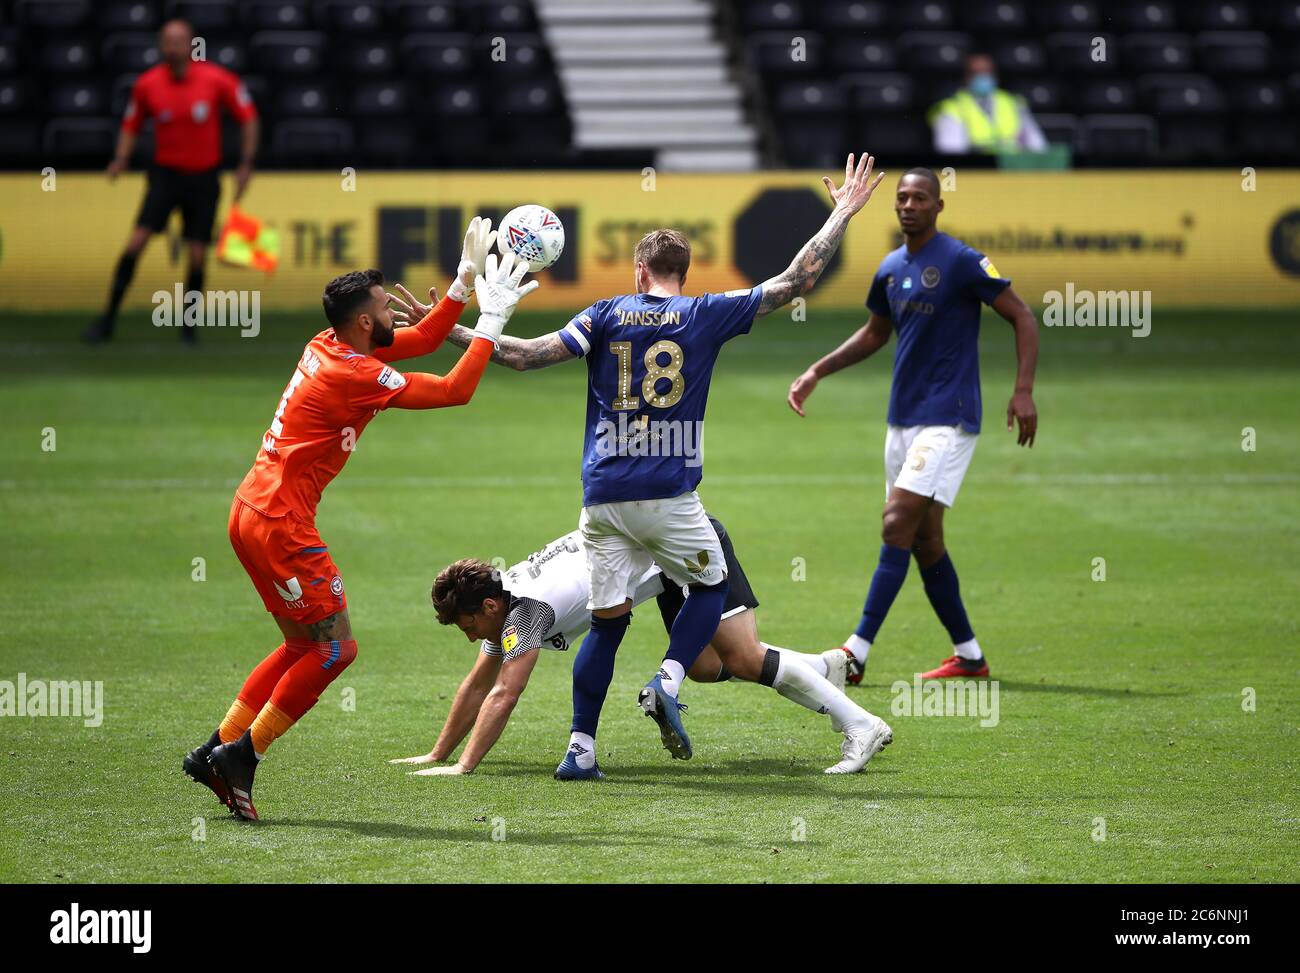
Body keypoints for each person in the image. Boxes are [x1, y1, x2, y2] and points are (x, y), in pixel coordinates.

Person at [390, 152, 887, 777]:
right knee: (714, 616)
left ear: (637, 269)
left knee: (635, 633)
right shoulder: (706, 312)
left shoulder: (603, 315)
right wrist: (842, 212)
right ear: (686, 270)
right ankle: (672, 681)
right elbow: (796, 279)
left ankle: (583, 748)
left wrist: (456, 330)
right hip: (671, 498)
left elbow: (525, 357)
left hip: (602, 499)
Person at [182, 220, 537, 821]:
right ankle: (243, 755)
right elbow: (454, 390)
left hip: (249, 509)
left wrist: (464, 282)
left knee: (301, 643)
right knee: (334, 651)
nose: (394, 309)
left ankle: (215, 749)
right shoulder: (355, 373)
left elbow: (423, 338)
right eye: (383, 305)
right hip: (283, 524)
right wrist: (493, 321)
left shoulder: (329, 344)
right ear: (366, 322)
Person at [390, 517, 891, 779]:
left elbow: (503, 693)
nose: (469, 634)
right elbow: (478, 683)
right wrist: (437, 753)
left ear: (490, 606)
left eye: (467, 623)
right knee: (704, 666)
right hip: (660, 562)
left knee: (743, 657)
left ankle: (861, 725)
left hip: (686, 546)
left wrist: (464, 766)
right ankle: (826, 667)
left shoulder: (523, 611)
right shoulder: (509, 598)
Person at [787, 168, 1039, 683]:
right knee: (925, 542)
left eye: (919, 197)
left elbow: (1022, 315)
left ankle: (854, 654)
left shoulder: (964, 262)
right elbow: (876, 333)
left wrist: (1022, 390)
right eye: (901, 197)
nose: (908, 204)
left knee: (895, 523)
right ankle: (970, 656)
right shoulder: (892, 267)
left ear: (938, 207)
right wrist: (817, 370)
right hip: (902, 420)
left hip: (950, 417)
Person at [84, 19, 260, 344]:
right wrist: (121, 158)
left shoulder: (217, 79)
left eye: (179, 41)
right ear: (160, 45)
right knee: (135, 243)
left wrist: (245, 163)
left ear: (191, 44)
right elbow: (131, 123)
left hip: (204, 178)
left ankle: (188, 328)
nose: (173, 47)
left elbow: (248, 117)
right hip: (164, 177)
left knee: (196, 254)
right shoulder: (148, 85)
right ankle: (107, 319)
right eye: (168, 41)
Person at [929, 53, 1047, 155]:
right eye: (976, 72)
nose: (983, 77)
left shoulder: (1013, 103)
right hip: (977, 173)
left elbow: (1038, 146)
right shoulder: (952, 108)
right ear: (966, 77)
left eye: (987, 71)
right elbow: (951, 153)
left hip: (1013, 172)